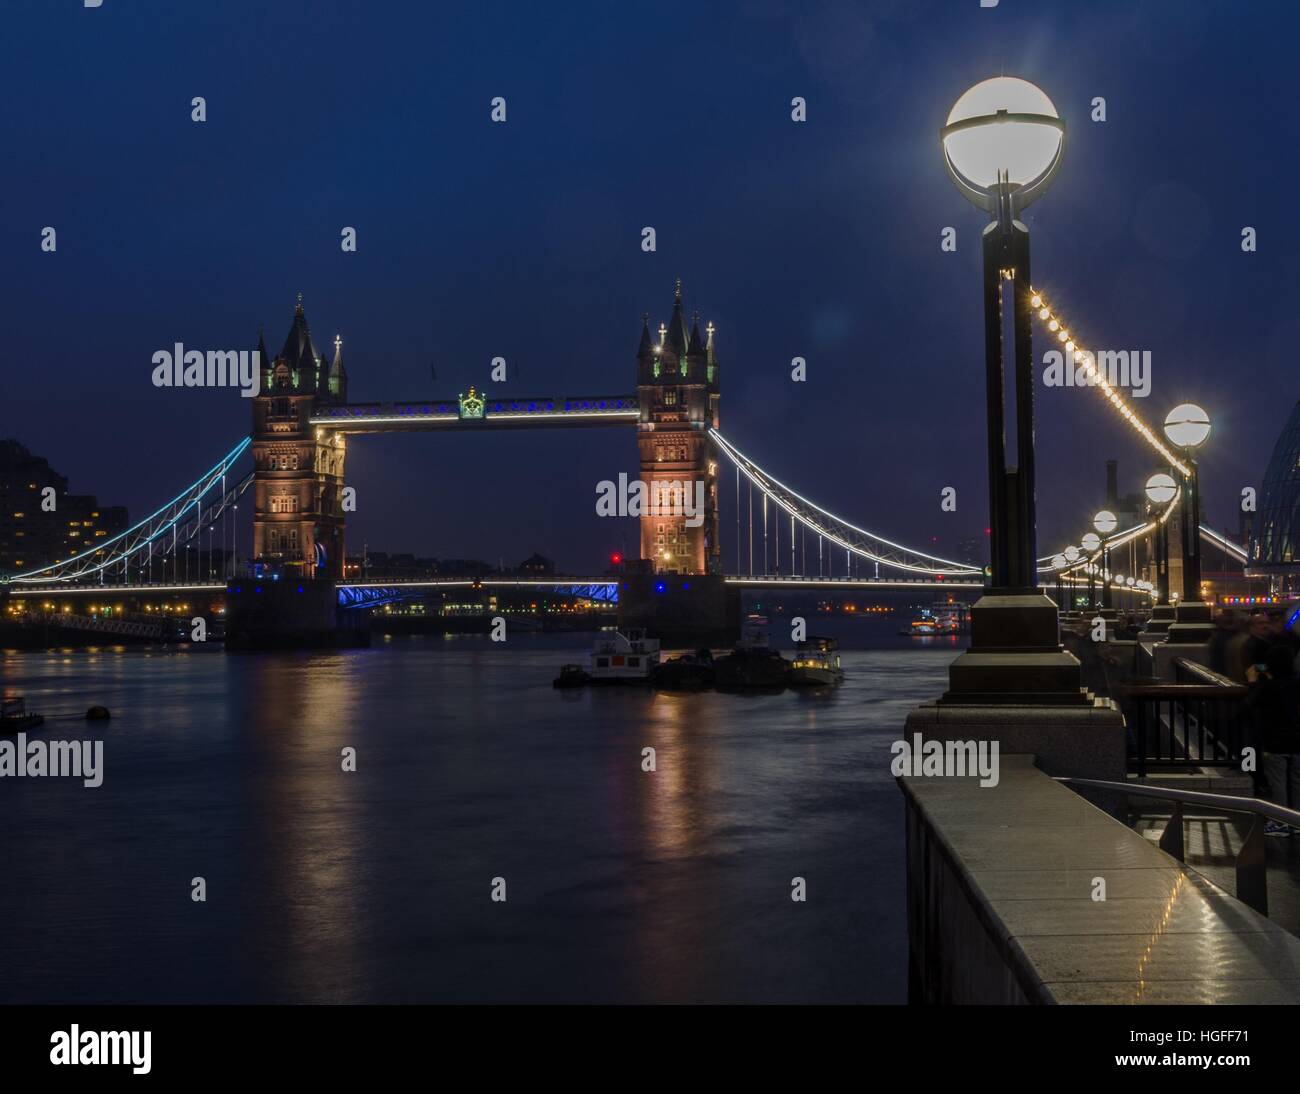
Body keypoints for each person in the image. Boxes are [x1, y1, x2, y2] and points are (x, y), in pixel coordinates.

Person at [1246, 644, 1300, 835]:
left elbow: (1252, 702)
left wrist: (1253, 681)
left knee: (1277, 782)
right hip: (1297, 741)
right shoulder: (1296, 683)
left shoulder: (1269, 687)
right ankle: (1296, 819)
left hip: (1274, 741)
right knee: (1296, 781)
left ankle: (1280, 821)